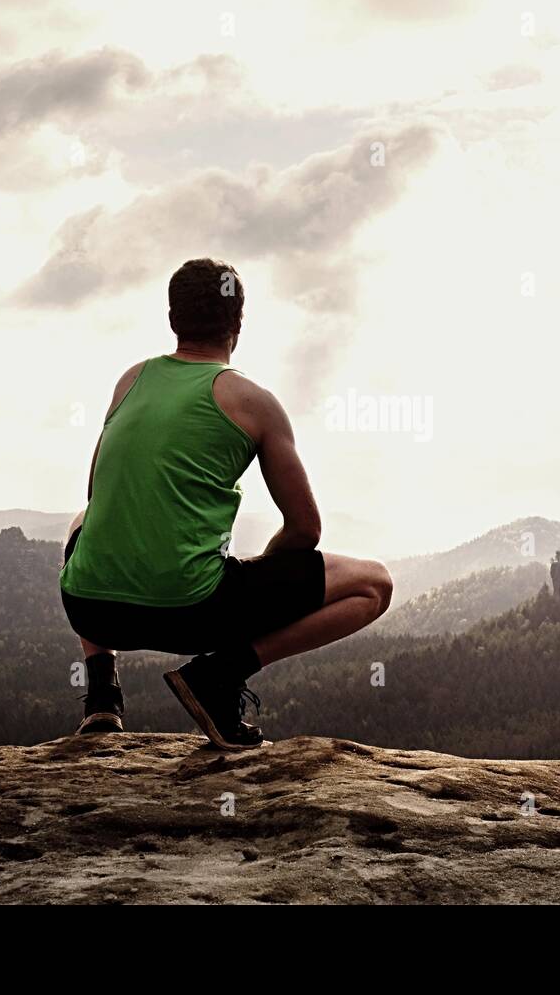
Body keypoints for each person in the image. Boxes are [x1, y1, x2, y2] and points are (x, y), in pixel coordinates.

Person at [59, 257, 393, 750]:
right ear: (238, 323)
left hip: (90, 610)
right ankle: (219, 675)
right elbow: (305, 531)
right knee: (374, 585)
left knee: (82, 519)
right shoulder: (253, 401)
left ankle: (103, 696)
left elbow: (97, 494)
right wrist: (255, 569)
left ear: (173, 320)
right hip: (195, 615)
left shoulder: (130, 381)